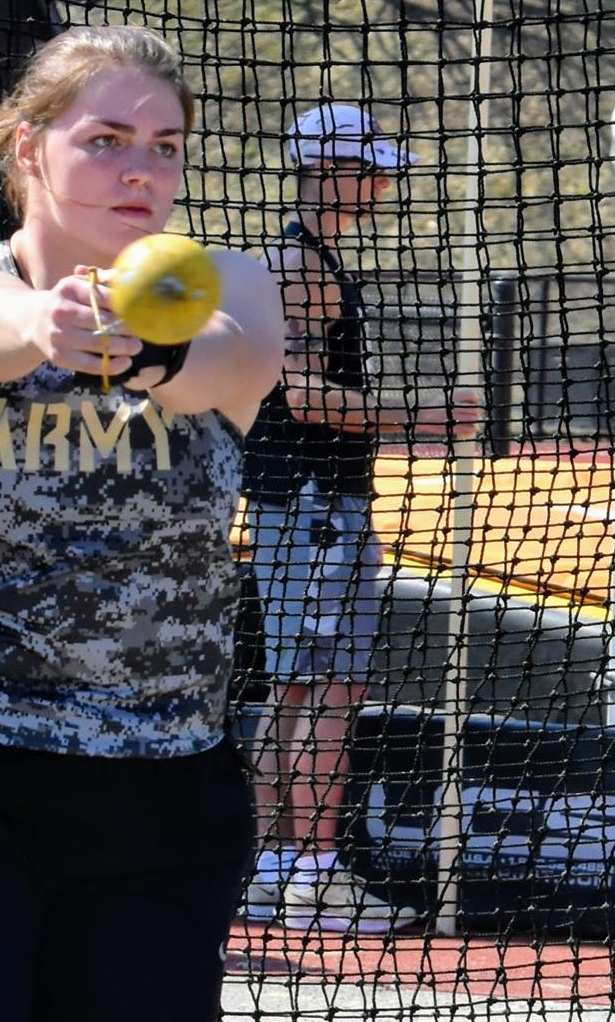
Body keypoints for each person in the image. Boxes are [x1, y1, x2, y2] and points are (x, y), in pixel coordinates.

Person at [0, 25, 283, 1022]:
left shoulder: (235, 286)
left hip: (160, 797)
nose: (143, 171)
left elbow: (232, 357)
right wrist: (42, 326)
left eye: (165, 147)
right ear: (29, 147)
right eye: (108, 139)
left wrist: (135, 345)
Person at [241, 103, 479, 933]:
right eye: (369, 169)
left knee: (295, 686)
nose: (381, 183)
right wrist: (430, 418)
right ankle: (311, 876)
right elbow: (305, 398)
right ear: (332, 172)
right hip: (314, 504)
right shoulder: (301, 267)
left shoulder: (305, 259)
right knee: (328, 689)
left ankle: (277, 873)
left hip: (298, 502)